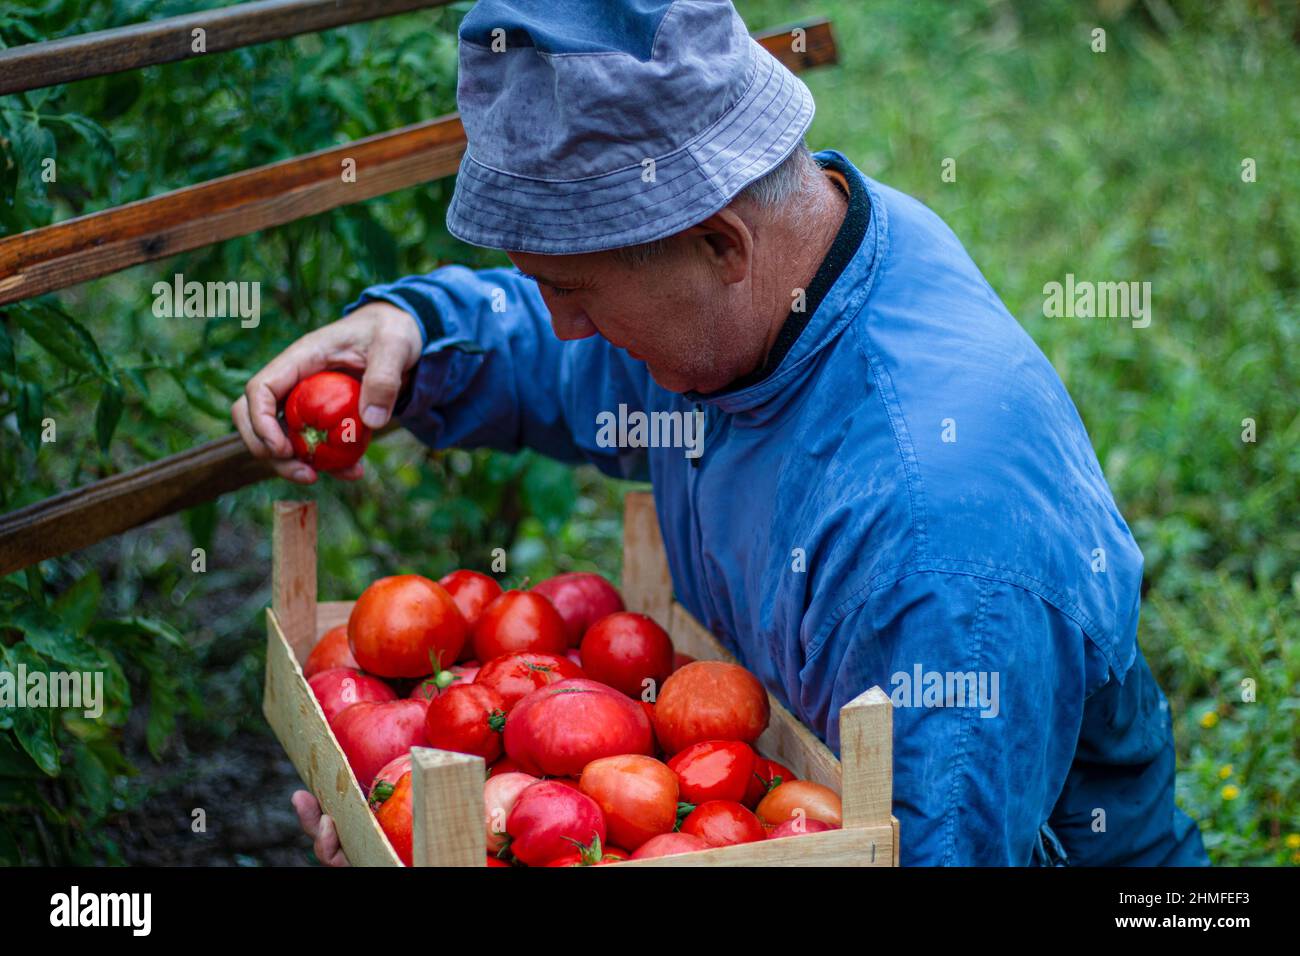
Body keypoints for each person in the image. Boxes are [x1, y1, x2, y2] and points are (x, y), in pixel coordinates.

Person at [233, 0, 1207, 866]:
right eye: (542, 284)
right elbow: (583, 358)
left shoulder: (936, 542)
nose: (563, 322)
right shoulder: (782, 279)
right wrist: (422, 336)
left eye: (571, 289)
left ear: (720, 243)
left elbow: (926, 845)